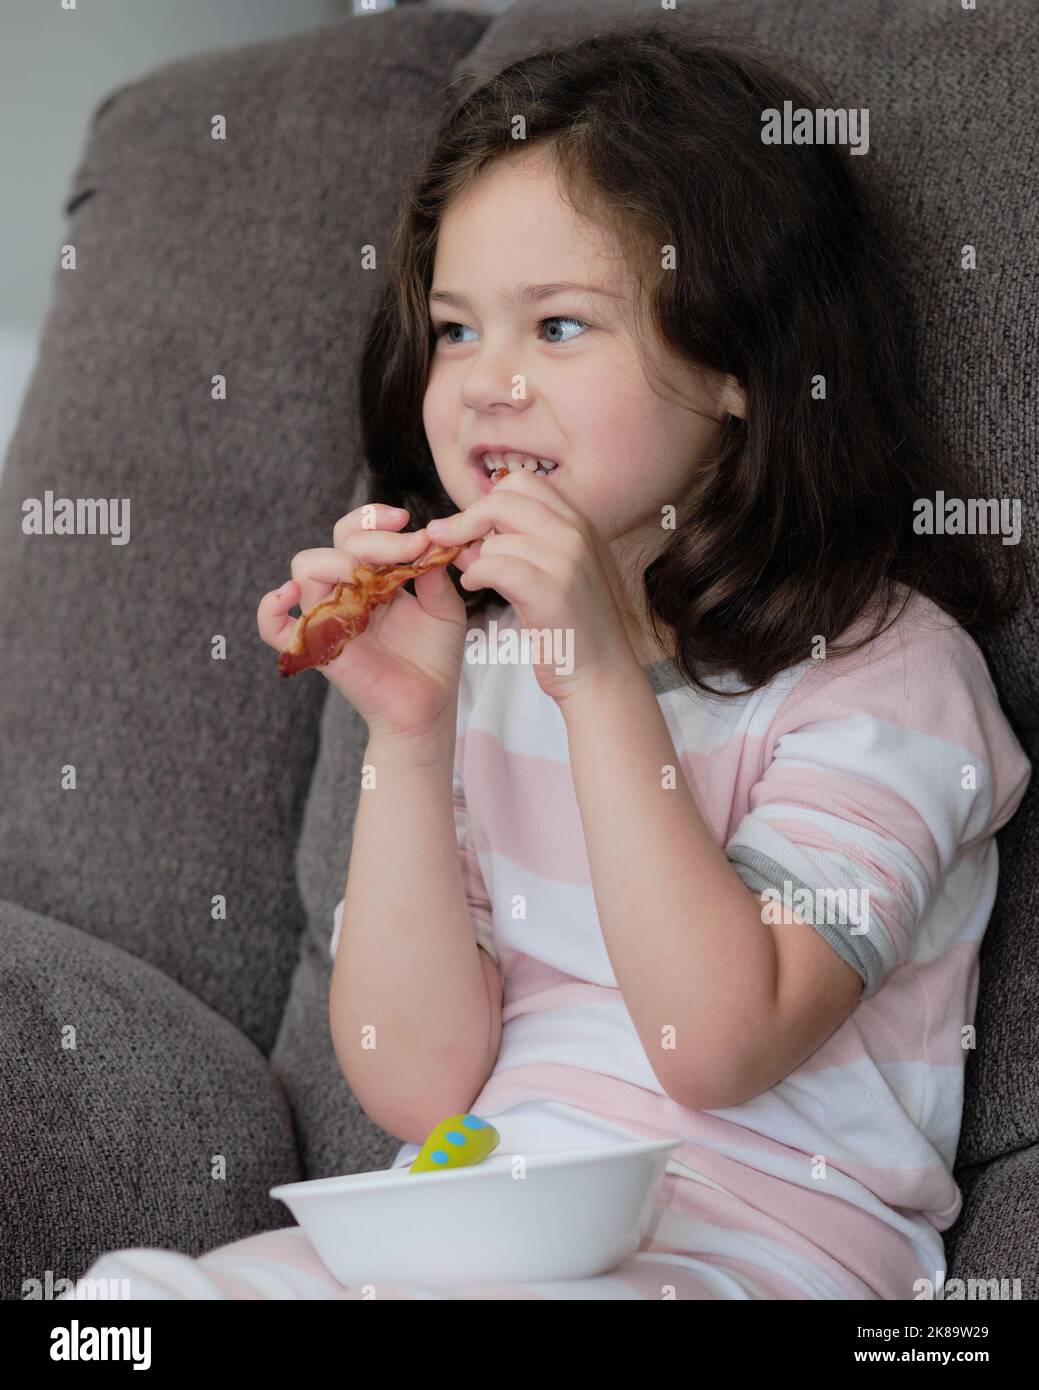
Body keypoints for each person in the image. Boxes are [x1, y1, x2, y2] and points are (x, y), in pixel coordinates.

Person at [62, 20, 1031, 1300]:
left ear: (742, 365)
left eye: (560, 327)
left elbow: (714, 1043)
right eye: (455, 331)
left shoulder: (891, 677)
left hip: (757, 1246)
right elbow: (416, 1083)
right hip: (472, 1218)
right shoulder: (492, 668)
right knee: (121, 1308)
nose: (485, 385)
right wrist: (408, 735)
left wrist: (599, 683)